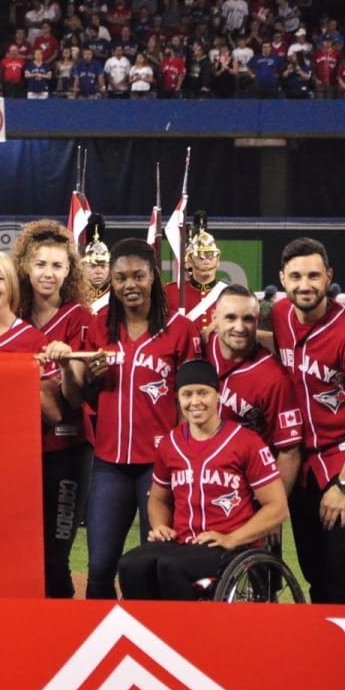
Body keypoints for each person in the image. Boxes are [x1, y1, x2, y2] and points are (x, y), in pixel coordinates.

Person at [79, 238, 199, 599]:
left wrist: (186, 456)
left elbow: (193, 401)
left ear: (153, 277)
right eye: (120, 278)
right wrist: (90, 378)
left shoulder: (180, 329)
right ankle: (98, 630)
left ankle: (152, 631)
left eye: (138, 276)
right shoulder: (99, 326)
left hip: (158, 466)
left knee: (155, 564)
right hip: (108, 463)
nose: (129, 284)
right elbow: (85, 396)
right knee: (100, 566)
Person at [271, 237, 345, 604]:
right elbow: (282, 349)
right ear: (282, 278)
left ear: (329, 277)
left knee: (342, 566)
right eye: (295, 276)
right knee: (313, 566)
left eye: (313, 275)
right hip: (303, 461)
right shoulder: (280, 316)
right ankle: (322, 634)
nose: (304, 285)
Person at [116, 359, 289, 600]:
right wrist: (160, 527)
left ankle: (186, 624)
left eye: (203, 393)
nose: (195, 401)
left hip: (230, 546)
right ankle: (149, 623)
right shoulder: (170, 443)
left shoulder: (246, 442)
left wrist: (231, 539)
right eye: (187, 394)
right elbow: (158, 498)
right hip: (182, 544)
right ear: (178, 399)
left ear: (218, 395)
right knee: (130, 565)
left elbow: (277, 508)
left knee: (171, 567)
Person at [11, 221, 96, 599]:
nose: (48, 273)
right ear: (25, 267)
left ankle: (64, 628)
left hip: (67, 450)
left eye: (57, 265)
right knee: (19, 552)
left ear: (69, 271)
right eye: (40, 264)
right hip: (17, 450)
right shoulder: (11, 314)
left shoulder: (81, 319)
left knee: (54, 557)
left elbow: (74, 399)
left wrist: (65, 365)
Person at [206, 285, 303, 490]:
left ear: (258, 322)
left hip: (246, 488)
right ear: (215, 318)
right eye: (230, 318)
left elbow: (289, 452)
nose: (239, 327)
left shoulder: (274, 379)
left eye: (248, 319)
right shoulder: (200, 349)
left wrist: (273, 504)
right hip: (199, 482)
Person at [165, 221, 226, 334]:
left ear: (218, 261)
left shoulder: (228, 292)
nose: (206, 260)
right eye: (200, 256)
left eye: (211, 255)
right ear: (188, 262)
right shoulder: (170, 292)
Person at [82, 231, 111, 314]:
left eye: (103, 266)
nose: (98, 272)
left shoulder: (116, 295)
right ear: (83, 267)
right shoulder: (75, 294)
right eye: (93, 266)